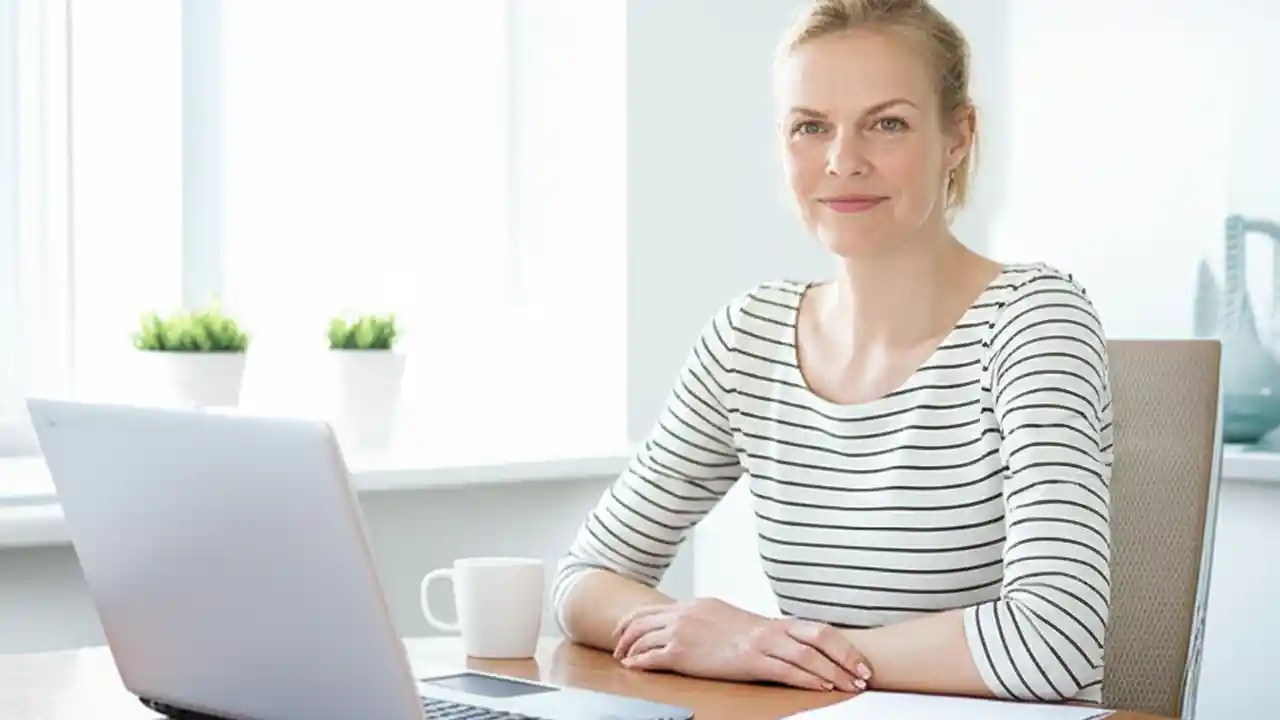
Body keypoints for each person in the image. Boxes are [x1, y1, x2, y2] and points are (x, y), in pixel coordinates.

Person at [553, 0, 1112, 705]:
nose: (843, 161)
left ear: (958, 136)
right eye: (810, 127)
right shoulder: (748, 339)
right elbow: (582, 580)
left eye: (888, 124)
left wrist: (769, 648)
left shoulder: (1033, 322)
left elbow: (1053, 644)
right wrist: (725, 640)